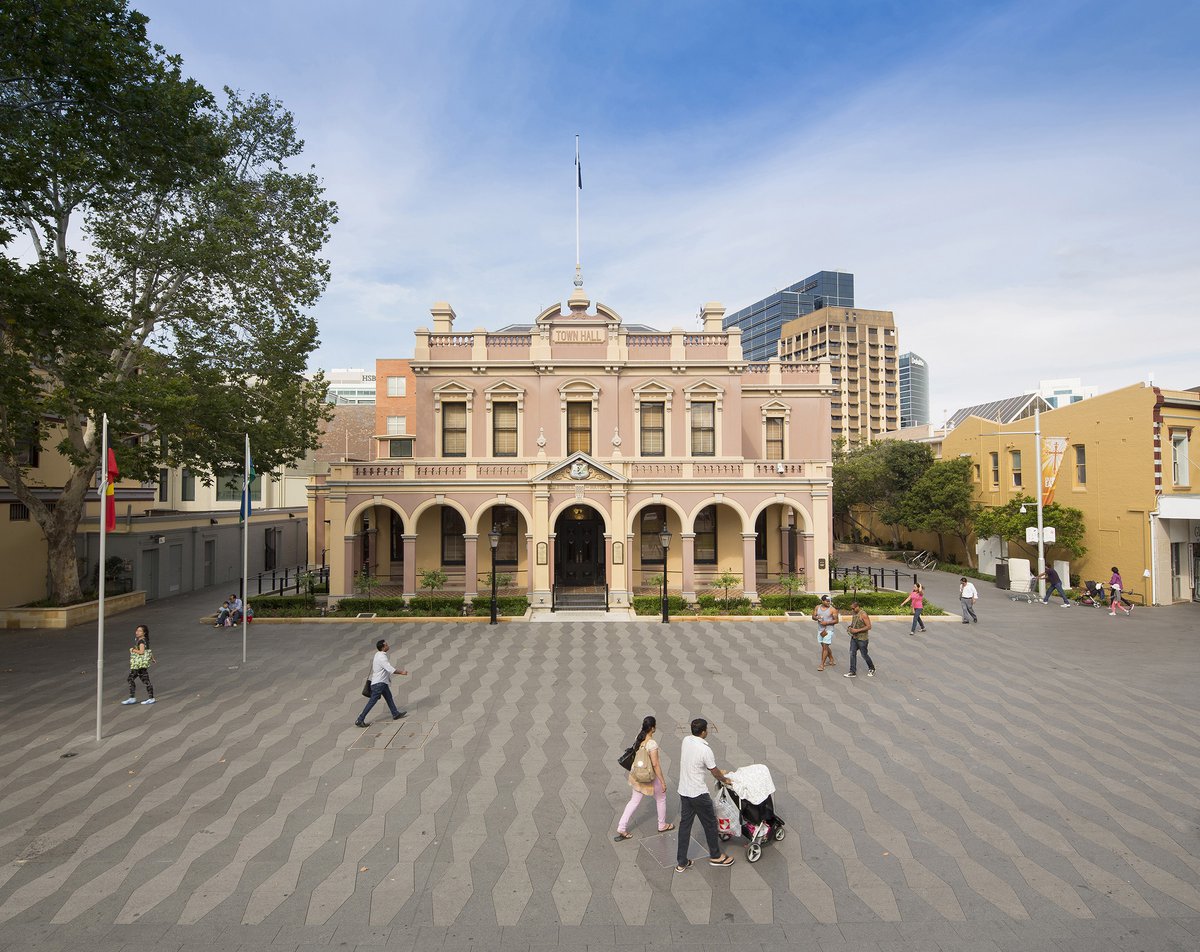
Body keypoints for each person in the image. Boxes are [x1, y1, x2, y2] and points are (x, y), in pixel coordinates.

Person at [675, 717, 735, 872]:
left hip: (684, 791)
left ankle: (681, 862)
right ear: (703, 732)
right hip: (698, 794)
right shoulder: (705, 750)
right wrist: (725, 780)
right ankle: (716, 856)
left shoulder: (686, 741)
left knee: (685, 826)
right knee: (710, 824)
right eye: (706, 729)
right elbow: (714, 771)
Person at [613, 715, 674, 841]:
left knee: (634, 801)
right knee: (661, 797)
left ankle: (622, 826)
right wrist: (662, 782)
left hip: (637, 776)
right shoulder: (652, 744)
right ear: (652, 728)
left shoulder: (638, 738)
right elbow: (655, 764)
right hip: (648, 777)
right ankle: (662, 824)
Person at [355, 638, 408, 727]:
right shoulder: (382, 658)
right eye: (386, 645)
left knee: (389, 697)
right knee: (372, 702)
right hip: (379, 684)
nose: (388, 646)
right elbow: (390, 669)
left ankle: (395, 713)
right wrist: (402, 672)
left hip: (381, 682)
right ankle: (360, 719)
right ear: (383, 647)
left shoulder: (377, 654)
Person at [122, 624, 156, 705]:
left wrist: (132, 650)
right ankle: (151, 698)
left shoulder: (141, 641)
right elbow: (148, 651)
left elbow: (142, 652)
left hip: (138, 665)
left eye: (140, 631)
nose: (137, 632)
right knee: (146, 680)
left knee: (130, 679)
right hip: (142, 665)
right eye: (137, 630)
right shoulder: (145, 640)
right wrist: (152, 658)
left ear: (144, 633)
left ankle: (132, 698)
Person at [843, 601, 876, 678]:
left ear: (857, 607)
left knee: (864, 655)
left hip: (862, 639)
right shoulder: (854, 614)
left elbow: (869, 626)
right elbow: (854, 624)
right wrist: (850, 628)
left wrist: (857, 630)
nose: (852, 610)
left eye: (853, 608)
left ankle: (872, 668)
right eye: (851, 609)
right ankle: (852, 671)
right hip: (854, 638)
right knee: (852, 653)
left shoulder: (863, 614)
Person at [812, 594, 839, 671]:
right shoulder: (817, 607)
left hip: (828, 630)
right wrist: (817, 618)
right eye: (827, 601)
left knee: (824, 647)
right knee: (824, 646)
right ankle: (831, 659)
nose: (828, 602)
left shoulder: (832, 609)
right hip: (820, 630)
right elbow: (813, 616)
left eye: (829, 601)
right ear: (822, 601)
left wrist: (826, 622)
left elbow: (836, 621)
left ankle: (822, 665)